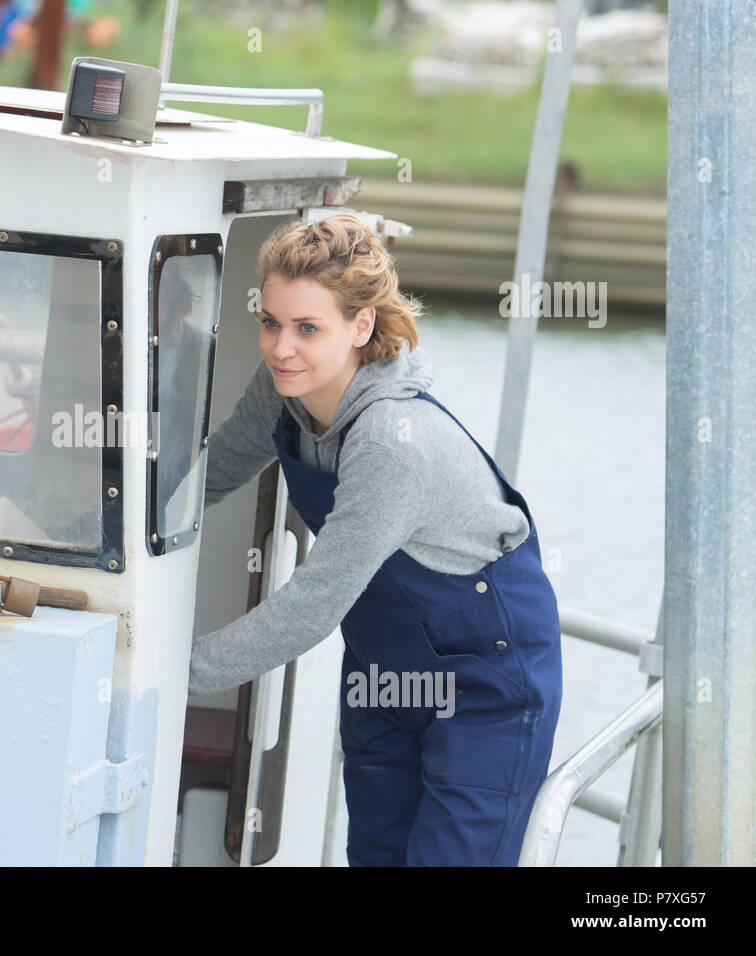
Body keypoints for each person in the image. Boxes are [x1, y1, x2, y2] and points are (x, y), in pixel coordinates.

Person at [187, 214, 563, 866]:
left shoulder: (391, 439)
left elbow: (311, 606)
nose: (280, 347)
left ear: (360, 327)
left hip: (486, 687)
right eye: (270, 321)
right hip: (384, 674)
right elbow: (207, 478)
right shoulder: (284, 389)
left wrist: (168, 671)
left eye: (308, 328)